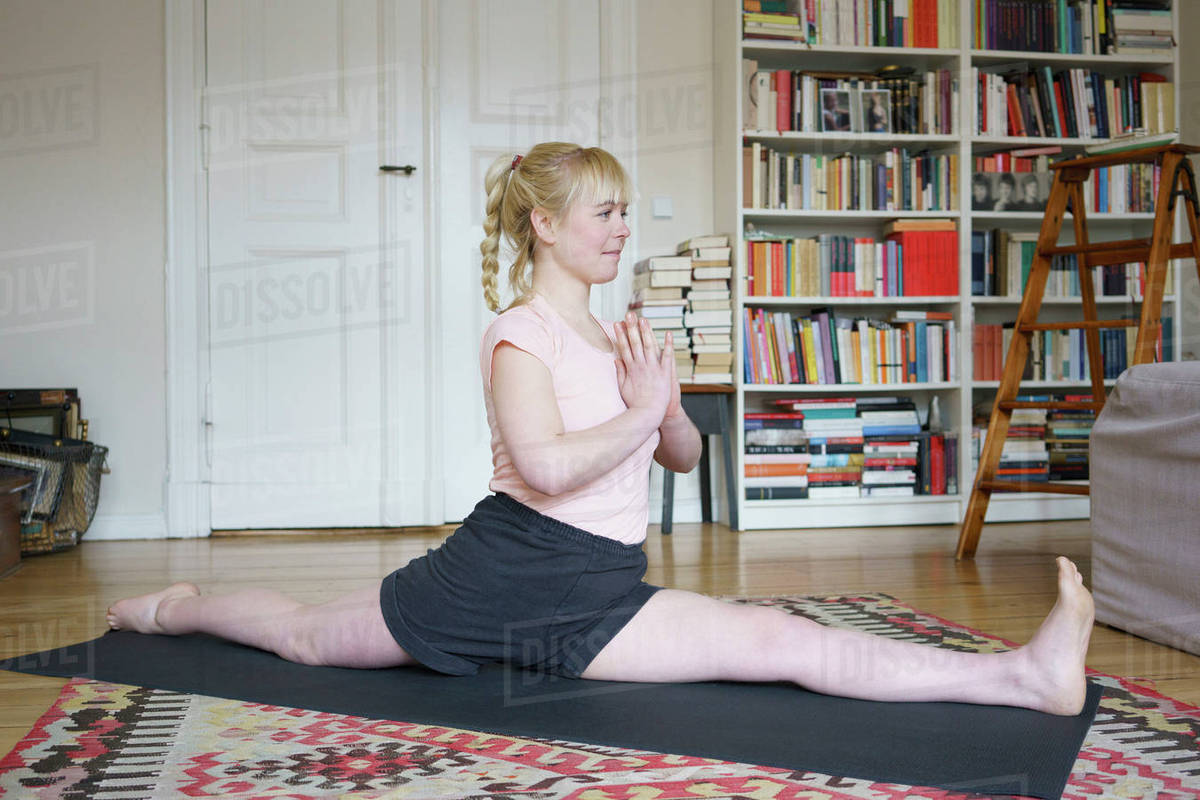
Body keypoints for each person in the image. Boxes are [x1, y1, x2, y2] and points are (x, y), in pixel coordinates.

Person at [107, 142, 1095, 716]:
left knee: (781, 637)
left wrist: (662, 408)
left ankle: (1021, 672)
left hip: (598, 583)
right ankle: (165, 610)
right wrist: (634, 412)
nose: (623, 229)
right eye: (605, 214)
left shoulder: (617, 328)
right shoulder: (519, 331)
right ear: (545, 224)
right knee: (305, 637)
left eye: (625, 213)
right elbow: (539, 466)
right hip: (504, 566)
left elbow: (683, 454)